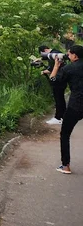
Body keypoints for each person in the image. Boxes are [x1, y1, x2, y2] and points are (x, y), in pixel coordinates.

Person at [49, 44, 83, 174]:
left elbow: (53, 81)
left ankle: (66, 165)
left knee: (65, 134)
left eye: (69, 54)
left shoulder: (69, 68)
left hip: (76, 105)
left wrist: (56, 66)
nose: (68, 56)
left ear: (75, 55)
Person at [35, 45, 67, 124]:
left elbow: (53, 68)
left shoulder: (54, 55)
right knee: (61, 98)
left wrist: (44, 71)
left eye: (43, 54)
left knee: (58, 98)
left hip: (58, 80)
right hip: (62, 79)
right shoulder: (56, 52)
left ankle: (58, 117)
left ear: (45, 50)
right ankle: (63, 116)